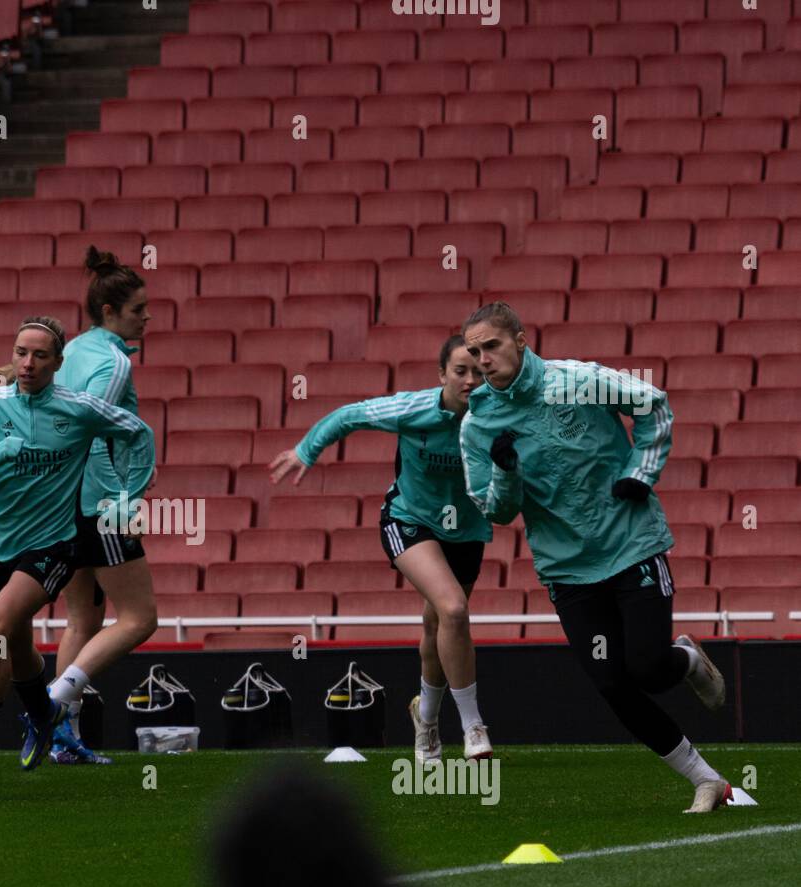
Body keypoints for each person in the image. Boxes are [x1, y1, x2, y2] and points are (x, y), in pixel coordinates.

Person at [457, 302, 731, 814]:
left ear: (520, 339)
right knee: (610, 681)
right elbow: (495, 511)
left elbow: (653, 402)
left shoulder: (577, 379)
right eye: (474, 351)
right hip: (568, 568)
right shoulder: (478, 426)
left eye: (491, 346)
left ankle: (688, 659)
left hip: (630, 543)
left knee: (647, 667)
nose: (483, 359)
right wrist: (507, 474)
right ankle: (706, 779)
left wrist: (641, 473)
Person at [0, 315, 155, 792]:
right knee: (14, 644)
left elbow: (137, 432)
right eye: (21, 353)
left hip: (52, 545)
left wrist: (128, 494)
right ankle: (44, 711)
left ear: (58, 362)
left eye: (39, 355)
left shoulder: (78, 409)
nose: (28, 363)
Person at [270, 335, 495, 760]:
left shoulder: (498, 416)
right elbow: (348, 416)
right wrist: (306, 450)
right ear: (442, 374)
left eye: (479, 372)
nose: (470, 380)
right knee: (454, 609)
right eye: (460, 371)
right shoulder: (413, 408)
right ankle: (473, 726)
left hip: (466, 531)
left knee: (436, 626)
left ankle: (425, 717)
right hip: (409, 521)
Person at [48, 246, 159, 764]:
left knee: (81, 621)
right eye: (138, 309)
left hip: (60, 502)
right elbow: (90, 430)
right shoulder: (112, 362)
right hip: (98, 500)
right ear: (110, 312)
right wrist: (122, 496)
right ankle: (52, 703)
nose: (147, 316)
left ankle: (62, 739)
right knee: (140, 618)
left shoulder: (71, 350)